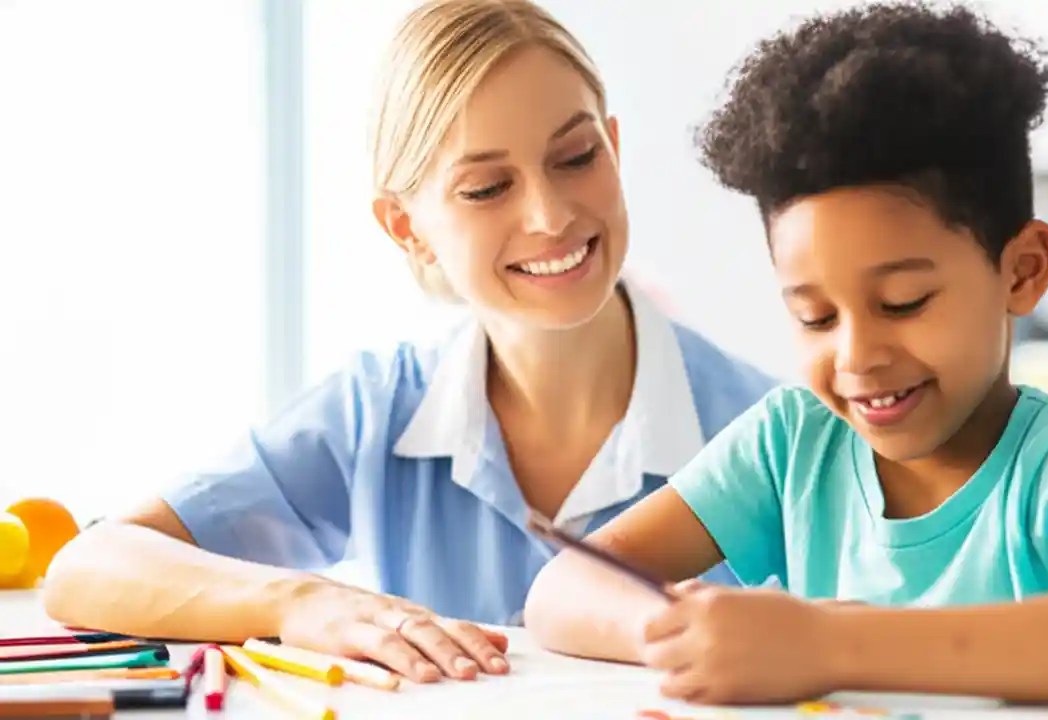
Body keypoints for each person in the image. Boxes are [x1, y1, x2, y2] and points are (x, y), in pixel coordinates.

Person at [524, 2, 1048, 706]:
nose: (857, 356)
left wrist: (831, 647)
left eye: (904, 303)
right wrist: (679, 630)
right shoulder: (793, 443)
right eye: (815, 316)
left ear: (1021, 271)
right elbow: (562, 591)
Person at [42, 0, 774, 686]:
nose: (551, 215)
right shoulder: (374, 411)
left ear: (612, 147)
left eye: (576, 156)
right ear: (406, 228)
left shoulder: (768, 430)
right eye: (488, 188)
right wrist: (299, 600)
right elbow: (90, 565)